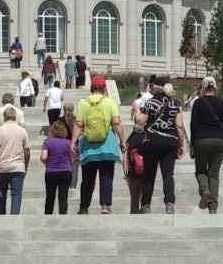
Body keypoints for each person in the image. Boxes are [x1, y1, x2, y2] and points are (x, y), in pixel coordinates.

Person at [73, 73, 124, 214]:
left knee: (87, 178)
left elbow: (78, 125)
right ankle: (105, 205)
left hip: (88, 147)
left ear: (92, 88)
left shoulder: (83, 102)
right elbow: (116, 123)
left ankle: (84, 207)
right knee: (106, 176)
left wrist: (73, 143)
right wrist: (122, 140)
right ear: (104, 88)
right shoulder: (109, 102)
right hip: (108, 145)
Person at [138, 81, 184, 214]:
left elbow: (140, 121)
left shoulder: (150, 102)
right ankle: (170, 204)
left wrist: (137, 111)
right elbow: (179, 126)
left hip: (151, 141)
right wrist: (181, 145)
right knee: (168, 174)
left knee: (149, 174)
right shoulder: (175, 103)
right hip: (170, 141)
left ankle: (146, 204)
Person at [188, 76, 223, 213]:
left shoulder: (198, 103)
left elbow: (193, 124)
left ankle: (205, 190)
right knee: (214, 174)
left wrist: (192, 143)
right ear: (215, 88)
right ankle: (213, 208)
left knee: (200, 171)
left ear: (203, 88)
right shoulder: (221, 103)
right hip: (219, 139)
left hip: (202, 139)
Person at [0, 104, 30, 215]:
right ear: (15, 117)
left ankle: (1, 218)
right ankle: (14, 217)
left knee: (1, 195)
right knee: (16, 195)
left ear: (4, 117)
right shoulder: (22, 131)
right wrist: (25, 166)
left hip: (2, 167)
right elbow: (27, 151)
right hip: (18, 167)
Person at [40, 118, 74, 215]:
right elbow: (72, 158)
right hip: (66, 171)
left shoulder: (47, 142)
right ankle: (63, 216)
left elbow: (43, 157)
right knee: (63, 196)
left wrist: (48, 163)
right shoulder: (68, 143)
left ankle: (48, 215)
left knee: (50, 196)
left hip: (51, 171)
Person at [125, 122, 150, 213]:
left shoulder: (130, 140)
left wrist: (125, 172)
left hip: (132, 171)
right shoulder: (147, 140)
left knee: (134, 196)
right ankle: (145, 210)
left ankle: (134, 211)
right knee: (145, 193)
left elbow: (125, 158)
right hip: (146, 170)